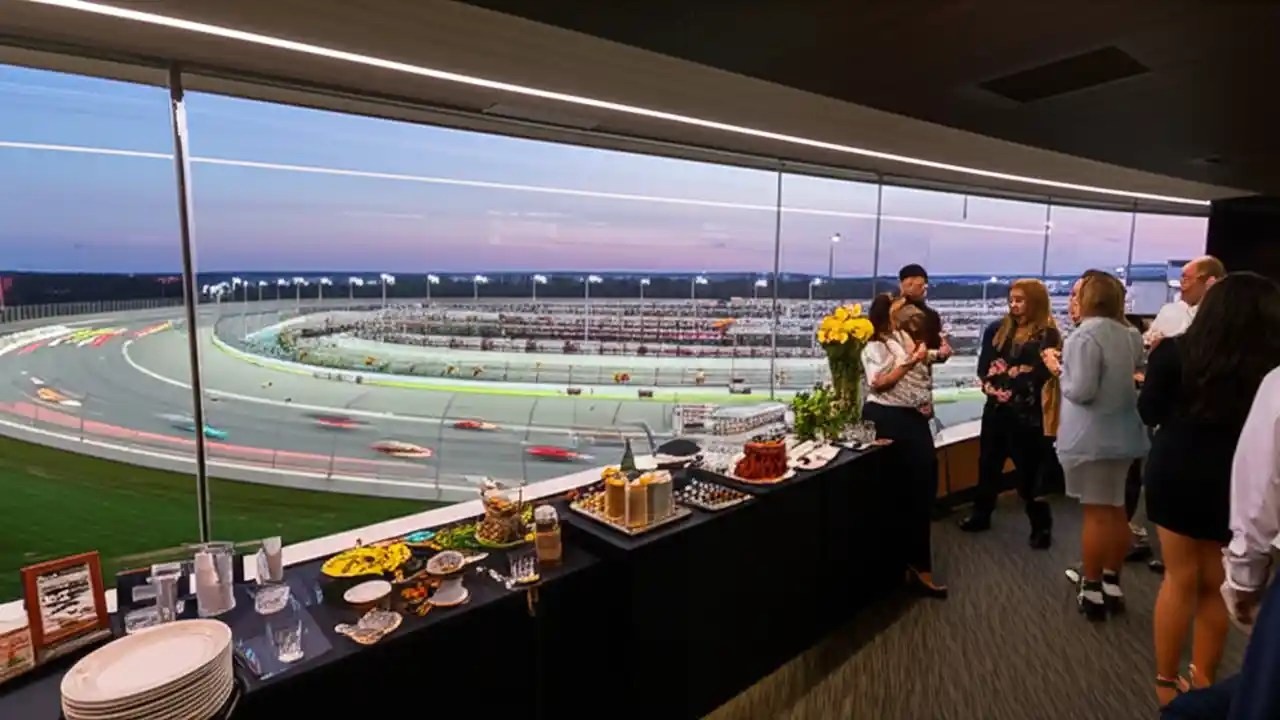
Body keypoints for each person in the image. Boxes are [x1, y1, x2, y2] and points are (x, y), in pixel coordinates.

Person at [1142, 273, 1280, 707]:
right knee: (1216, 584)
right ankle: (1202, 679)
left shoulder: (1174, 352)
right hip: (1235, 477)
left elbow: (1149, 409)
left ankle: (1165, 683)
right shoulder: (1270, 365)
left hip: (1176, 466)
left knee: (1178, 578)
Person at [1159, 365, 1280, 719]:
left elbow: (1258, 500)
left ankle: (1168, 682)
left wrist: (1245, 585)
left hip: (1186, 471)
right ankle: (1200, 676)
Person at [1043, 271, 1147, 620]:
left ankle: (1091, 588)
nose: (1071, 301)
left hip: (1091, 438)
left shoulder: (1084, 337)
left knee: (1096, 514)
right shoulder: (1130, 335)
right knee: (1116, 510)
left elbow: (1081, 391)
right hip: (1124, 436)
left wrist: (1057, 368)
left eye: (1076, 295)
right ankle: (1111, 580)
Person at [959, 279, 1060, 548]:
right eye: (1011, 299)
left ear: (1035, 302)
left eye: (1020, 300)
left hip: (1028, 415)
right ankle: (981, 515)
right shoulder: (996, 330)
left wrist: (1014, 383)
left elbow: (1042, 374)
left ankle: (1041, 527)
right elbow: (984, 366)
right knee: (988, 465)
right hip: (996, 410)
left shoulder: (1048, 335)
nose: (1014, 305)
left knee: (1029, 474)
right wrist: (991, 387)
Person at [861, 292, 946, 598]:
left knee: (921, 488)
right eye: (900, 304)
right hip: (888, 419)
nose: (908, 307)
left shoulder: (902, 337)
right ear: (889, 313)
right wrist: (909, 364)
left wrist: (938, 352)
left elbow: (925, 358)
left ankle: (917, 564)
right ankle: (902, 566)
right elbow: (878, 381)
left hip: (911, 418)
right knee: (896, 491)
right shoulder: (874, 345)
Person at [1145, 256, 1227, 348]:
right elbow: (1147, 341)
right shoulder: (1169, 311)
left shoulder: (1221, 319)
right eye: (1181, 279)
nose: (1181, 286)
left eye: (1187, 279)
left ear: (1210, 283)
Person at [897, 264, 953, 362]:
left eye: (921, 286)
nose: (922, 289)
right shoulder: (890, 311)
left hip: (919, 371)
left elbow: (936, 349)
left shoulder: (931, 316)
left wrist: (942, 352)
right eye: (911, 285)